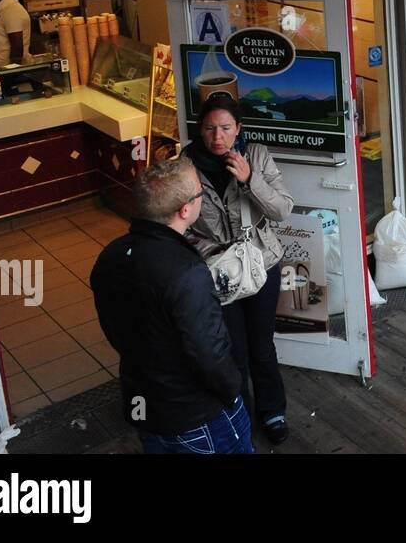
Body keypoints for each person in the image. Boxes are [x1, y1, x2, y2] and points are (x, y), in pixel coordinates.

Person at [91, 159, 252, 454]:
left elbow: (114, 329)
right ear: (186, 210)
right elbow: (208, 351)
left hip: (142, 404)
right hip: (195, 414)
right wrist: (233, 390)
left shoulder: (109, 256)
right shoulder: (185, 271)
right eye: (200, 192)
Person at [185, 93, 295, 445]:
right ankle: (240, 416)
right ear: (200, 131)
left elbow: (282, 209)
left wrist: (250, 180)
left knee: (262, 344)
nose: (218, 137)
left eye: (226, 128)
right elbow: (179, 223)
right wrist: (208, 250)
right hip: (217, 271)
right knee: (234, 350)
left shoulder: (257, 155)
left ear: (239, 129)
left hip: (261, 262)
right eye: (210, 129)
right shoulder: (185, 165)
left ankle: (273, 411)